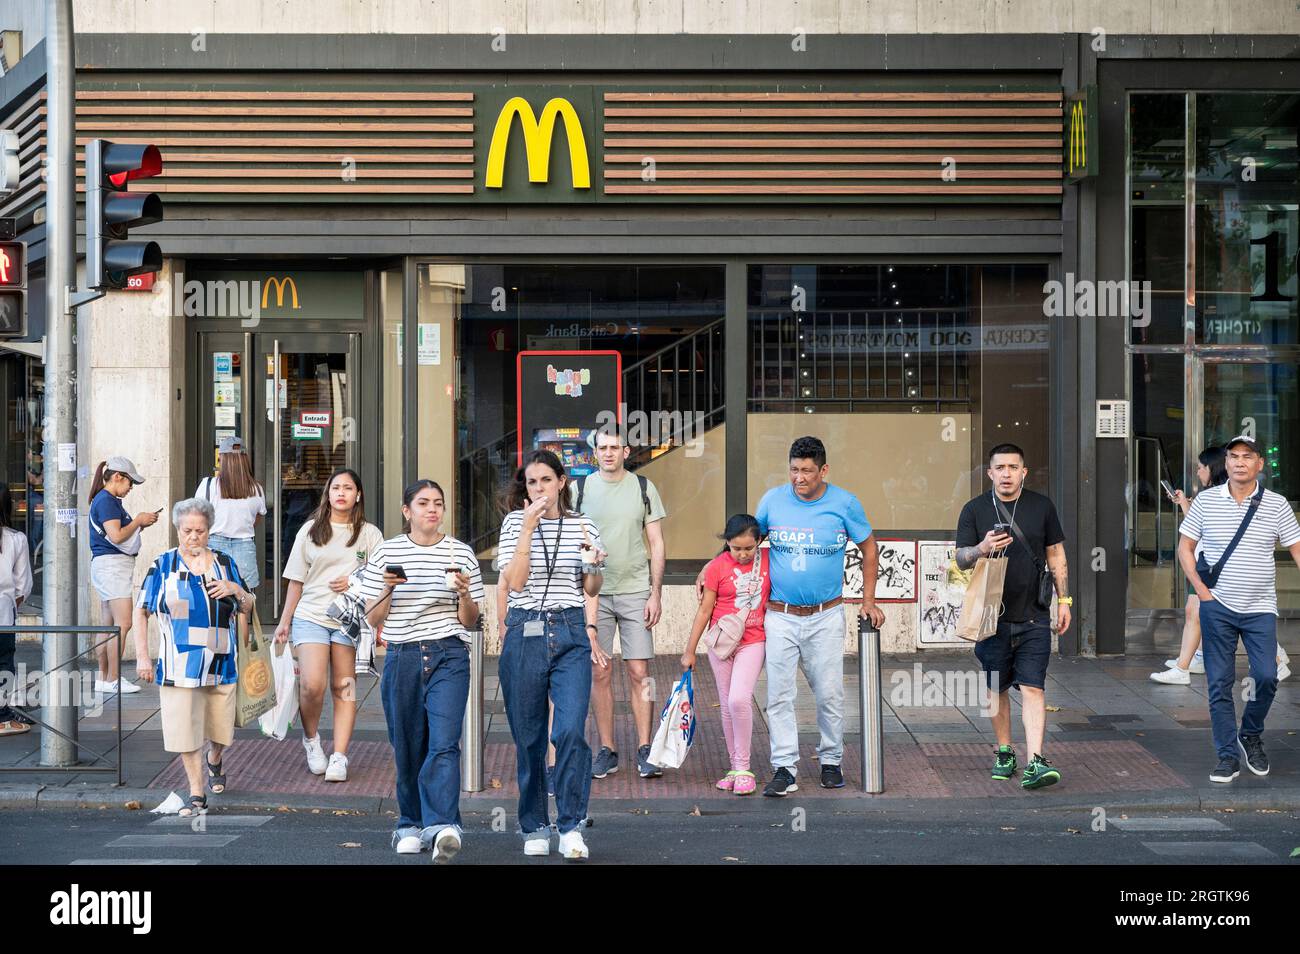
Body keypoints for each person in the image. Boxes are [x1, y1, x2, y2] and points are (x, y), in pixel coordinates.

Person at [357, 479, 483, 864]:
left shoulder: (460, 552)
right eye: (424, 503)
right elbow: (373, 616)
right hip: (402, 655)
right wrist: (388, 588)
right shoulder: (386, 552)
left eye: (439, 503)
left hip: (449, 653)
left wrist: (463, 592)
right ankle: (410, 823)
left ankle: (444, 825)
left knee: (444, 742)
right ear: (406, 510)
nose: (433, 509)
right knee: (408, 745)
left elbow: (472, 621)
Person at [752, 436, 884, 796]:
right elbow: (746, 543)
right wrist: (712, 572)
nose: (799, 478)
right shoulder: (772, 500)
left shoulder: (845, 503)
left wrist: (868, 600)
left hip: (826, 614)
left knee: (829, 694)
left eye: (807, 471)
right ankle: (784, 768)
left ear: (823, 470)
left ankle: (830, 760)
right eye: (794, 470)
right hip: (780, 614)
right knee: (778, 695)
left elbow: (869, 547)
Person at [497, 450, 608, 860]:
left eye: (546, 480)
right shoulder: (513, 523)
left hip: (571, 629)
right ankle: (534, 825)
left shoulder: (584, 524)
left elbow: (591, 588)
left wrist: (594, 564)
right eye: (531, 482)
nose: (539, 488)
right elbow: (517, 582)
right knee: (528, 737)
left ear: (562, 482)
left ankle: (572, 824)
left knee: (570, 732)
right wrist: (527, 528)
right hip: (525, 628)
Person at [1177, 434, 1300, 783]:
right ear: (1226, 463)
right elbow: (1186, 548)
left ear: (1260, 463)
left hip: (1260, 607)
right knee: (1218, 683)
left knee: (1266, 675)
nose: (1240, 462)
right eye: (1234, 456)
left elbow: (1296, 549)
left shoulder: (1277, 505)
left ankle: (1250, 733)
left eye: (1248, 456)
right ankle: (1227, 755)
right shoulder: (1205, 502)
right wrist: (1201, 592)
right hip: (1217, 606)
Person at [955, 443, 1071, 790]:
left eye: (1013, 467)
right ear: (989, 473)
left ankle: (1035, 759)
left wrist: (1063, 600)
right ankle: (1005, 751)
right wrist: (982, 548)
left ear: (1024, 472)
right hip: (991, 616)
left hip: (1034, 614)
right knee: (996, 687)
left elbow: (1056, 554)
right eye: (1000, 467)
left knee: (1034, 686)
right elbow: (960, 558)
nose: (1006, 473)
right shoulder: (974, 510)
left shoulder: (1042, 507)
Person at [133, 497, 255, 816]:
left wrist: (236, 590)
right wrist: (143, 658)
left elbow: (248, 606)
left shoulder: (225, 562)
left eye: (200, 531)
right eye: (187, 530)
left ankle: (215, 758)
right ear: (177, 530)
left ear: (209, 530)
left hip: (222, 661)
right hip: (179, 664)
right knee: (185, 730)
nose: (193, 537)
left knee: (221, 730)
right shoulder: (164, 565)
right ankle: (196, 790)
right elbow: (141, 612)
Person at [274, 468, 384, 783]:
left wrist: (353, 581)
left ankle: (339, 755)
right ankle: (311, 740)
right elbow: (296, 579)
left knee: (344, 687)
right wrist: (284, 622)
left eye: (348, 488)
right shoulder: (310, 530)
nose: (341, 493)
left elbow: (382, 577)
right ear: (328, 493)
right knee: (312, 685)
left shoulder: (369, 534)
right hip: (311, 615)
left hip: (349, 621)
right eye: (335, 487)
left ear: (358, 495)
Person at [570, 427, 667, 780]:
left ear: (626, 451)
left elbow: (656, 543)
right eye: (602, 448)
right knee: (600, 671)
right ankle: (607, 749)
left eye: (614, 447)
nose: (608, 453)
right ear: (594, 452)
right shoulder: (578, 490)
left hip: (636, 589)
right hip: (593, 591)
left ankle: (646, 748)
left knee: (641, 671)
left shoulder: (643, 488)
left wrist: (656, 591)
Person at [1153, 447, 1291, 685]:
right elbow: (1193, 536)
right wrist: (1185, 503)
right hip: (1207, 569)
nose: (1197, 472)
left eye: (1200, 467)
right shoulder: (1210, 497)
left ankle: (1187, 665)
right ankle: (1193, 661)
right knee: (1199, 614)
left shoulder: (1244, 499)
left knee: (1210, 614)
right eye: (1234, 458)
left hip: (1216, 571)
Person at [681, 514, 770, 795]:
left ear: (759, 541)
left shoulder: (769, 560)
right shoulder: (717, 567)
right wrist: (689, 650)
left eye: (748, 548)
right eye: (736, 548)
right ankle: (735, 767)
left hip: (754, 641)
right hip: (720, 643)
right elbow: (705, 610)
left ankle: (744, 767)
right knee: (726, 704)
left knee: (738, 699)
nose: (742, 554)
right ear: (727, 544)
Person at [88, 457, 159, 696]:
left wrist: (140, 524)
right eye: (131, 483)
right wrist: (138, 520)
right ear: (118, 477)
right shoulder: (107, 501)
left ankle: (104, 678)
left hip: (107, 566)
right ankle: (113, 679)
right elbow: (117, 536)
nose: (131, 488)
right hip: (112, 567)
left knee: (108, 624)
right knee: (124, 623)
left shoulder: (105, 500)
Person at [196, 435, 266, 592]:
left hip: (213, 546)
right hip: (245, 546)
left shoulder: (208, 485)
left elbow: (197, 517)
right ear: (245, 459)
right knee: (244, 598)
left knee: (215, 598)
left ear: (221, 459)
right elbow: (257, 517)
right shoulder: (257, 489)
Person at [0, 486, 33, 736]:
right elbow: (23, 585)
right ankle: (2, 717)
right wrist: (13, 604)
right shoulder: (15, 539)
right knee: (3, 663)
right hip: (3, 612)